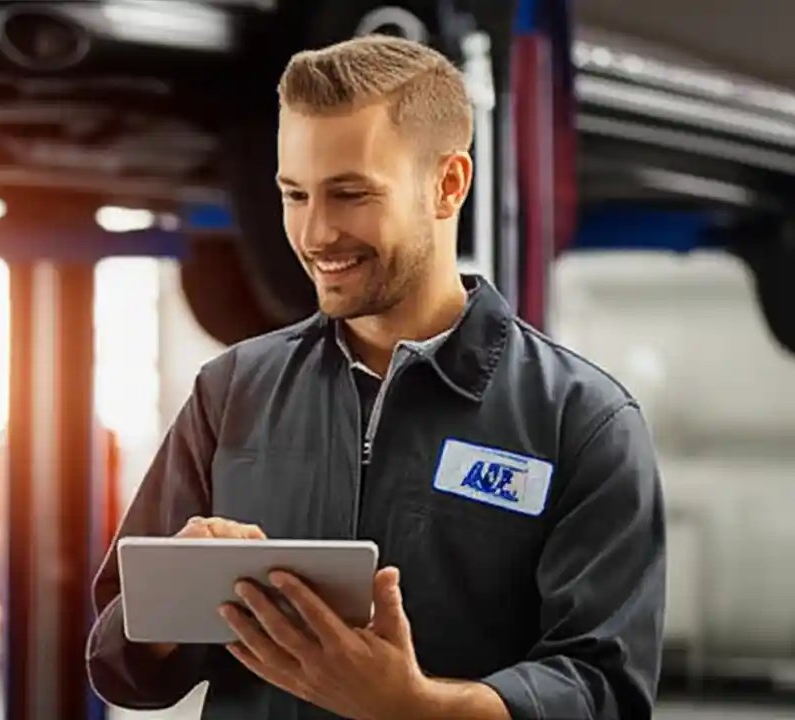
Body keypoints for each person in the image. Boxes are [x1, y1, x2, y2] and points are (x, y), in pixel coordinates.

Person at [87, 34, 665, 720]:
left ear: (448, 184)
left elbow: (606, 690)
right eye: (294, 194)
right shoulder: (231, 392)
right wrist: (170, 594)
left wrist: (416, 707)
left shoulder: (580, 421)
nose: (315, 233)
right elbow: (119, 665)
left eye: (351, 194)